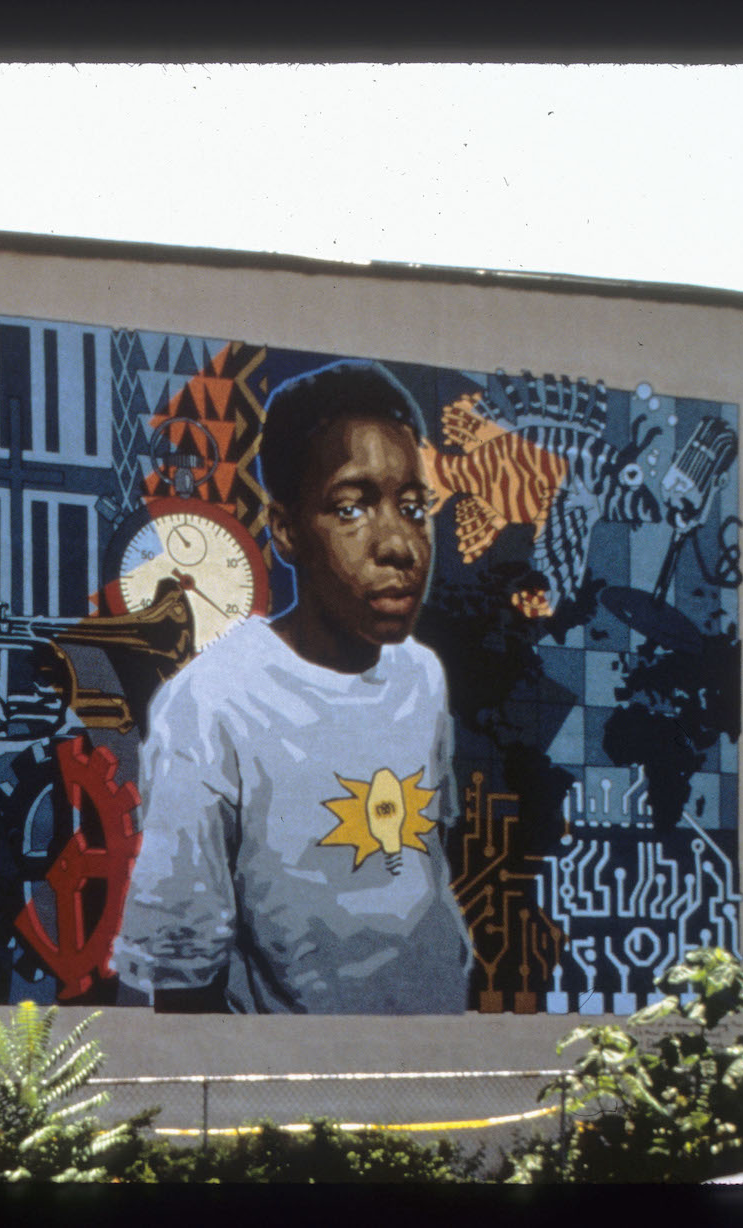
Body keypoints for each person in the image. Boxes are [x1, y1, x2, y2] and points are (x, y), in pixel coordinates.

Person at [111, 360, 473, 1013]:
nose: (400, 544)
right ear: (285, 530)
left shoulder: (421, 675)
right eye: (351, 507)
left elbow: (423, 865)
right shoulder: (212, 704)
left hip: (437, 1052)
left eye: (414, 507)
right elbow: (181, 977)